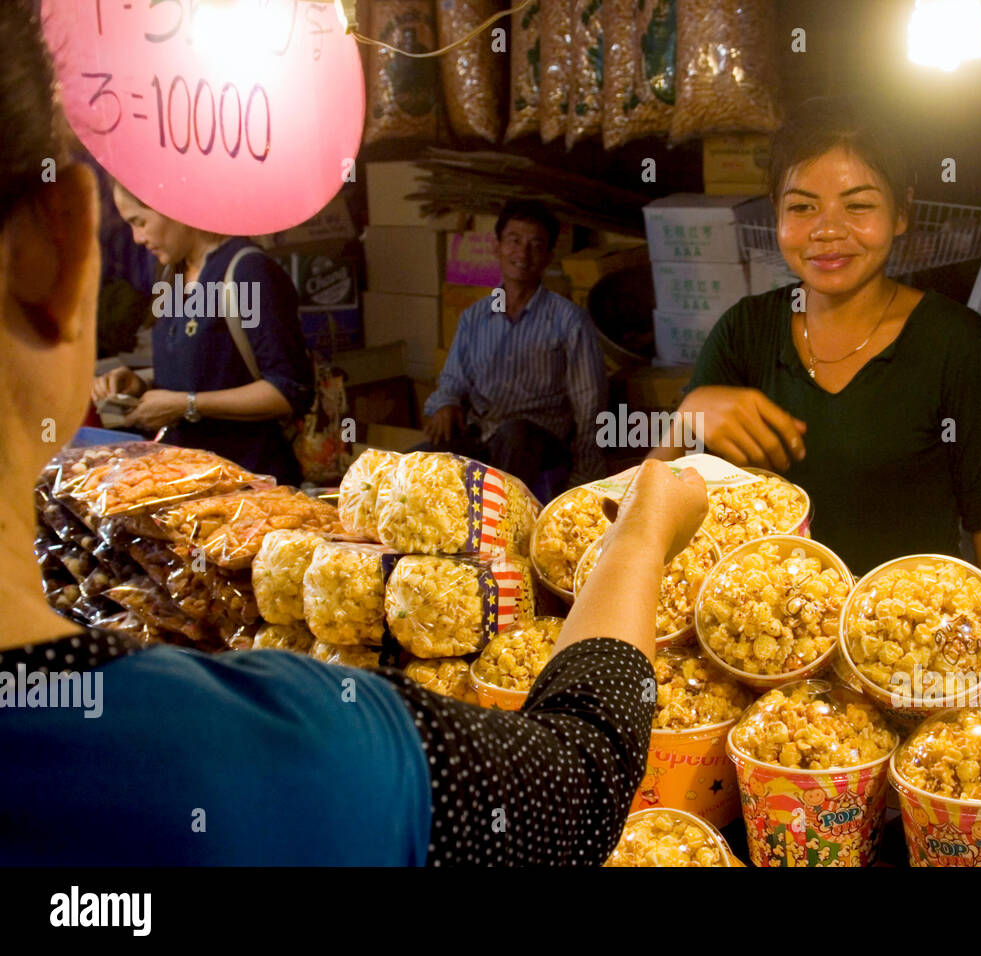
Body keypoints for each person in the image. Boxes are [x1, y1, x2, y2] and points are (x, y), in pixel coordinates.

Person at [0, 3, 707, 866]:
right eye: (508, 241)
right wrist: (641, 526)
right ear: (62, 245)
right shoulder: (299, 748)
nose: (139, 240)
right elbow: (579, 785)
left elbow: (583, 405)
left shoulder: (556, 320)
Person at [653, 97, 981, 622]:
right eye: (802, 206)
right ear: (777, 215)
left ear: (901, 213)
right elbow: (651, 505)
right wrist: (689, 414)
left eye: (858, 206)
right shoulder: (745, 330)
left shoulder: (956, 342)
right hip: (762, 643)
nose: (827, 230)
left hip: (908, 647)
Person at [89, 186, 314, 485]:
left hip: (249, 484)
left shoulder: (247, 271)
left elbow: (288, 390)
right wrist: (140, 381)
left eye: (139, 222)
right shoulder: (170, 274)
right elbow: (212, 365)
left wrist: (187, 404)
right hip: (185, 479)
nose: (137, 238)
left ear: (175, 208)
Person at [421, 200, 608, 492]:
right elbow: (453, 379)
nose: (523, 253)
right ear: (496, 246)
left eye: (535, 244)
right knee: (417, 459)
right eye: (514, 241)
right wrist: (446, 403)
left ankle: (498, 529)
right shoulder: (475, 316)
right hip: (484, 434)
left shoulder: (568, 319)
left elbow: (590, 402)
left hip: (542, 440)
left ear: (548, 255)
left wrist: (584, 474)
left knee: (515, 434)